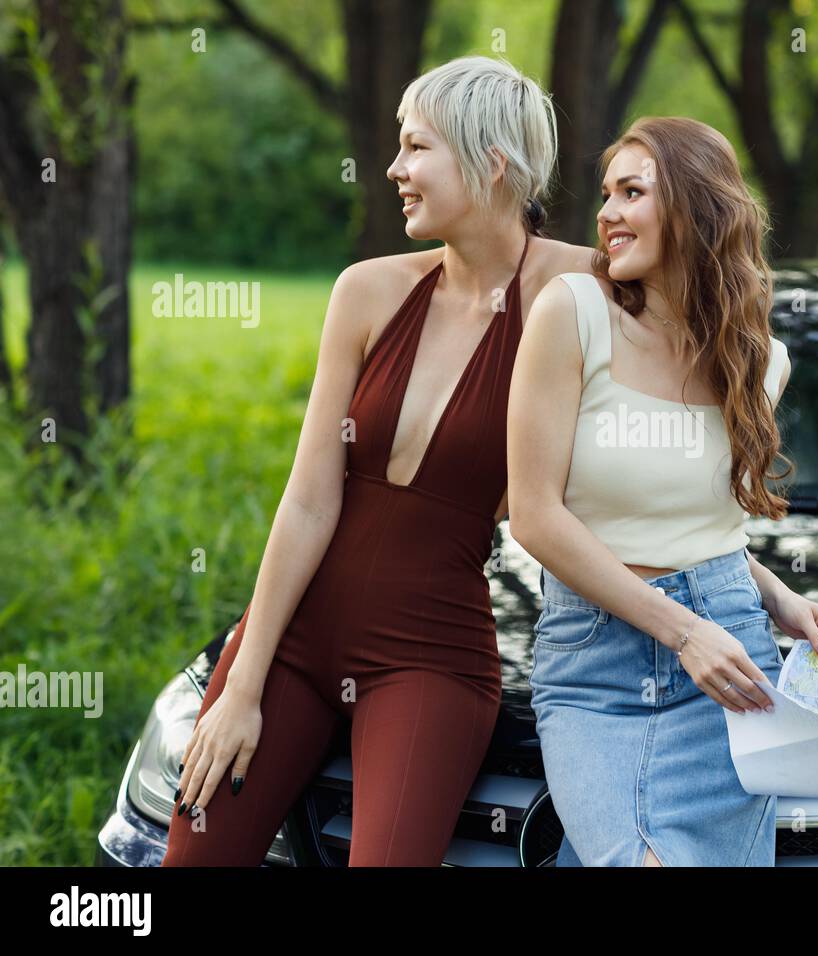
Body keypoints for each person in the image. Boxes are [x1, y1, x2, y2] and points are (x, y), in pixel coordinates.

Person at [162, 55, 594, 866]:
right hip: (291, 638)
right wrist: (243, 682)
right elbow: (308, 502)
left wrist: (760, 590)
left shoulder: (580, 291)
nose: (394, 169)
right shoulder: (366, 290)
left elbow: (659, 463)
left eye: (415, 148)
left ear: (491, 162)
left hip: (429, 655)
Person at [506, 116, 818, 867]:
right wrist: (683, 631)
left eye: (632, 192)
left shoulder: (762, 362)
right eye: (606, 193)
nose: (606, 213)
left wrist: (775, 598)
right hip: (595, 662)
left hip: (727, 655)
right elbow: (535, 515)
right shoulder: (571, 314)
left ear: (698, 210)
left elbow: (692, 523)